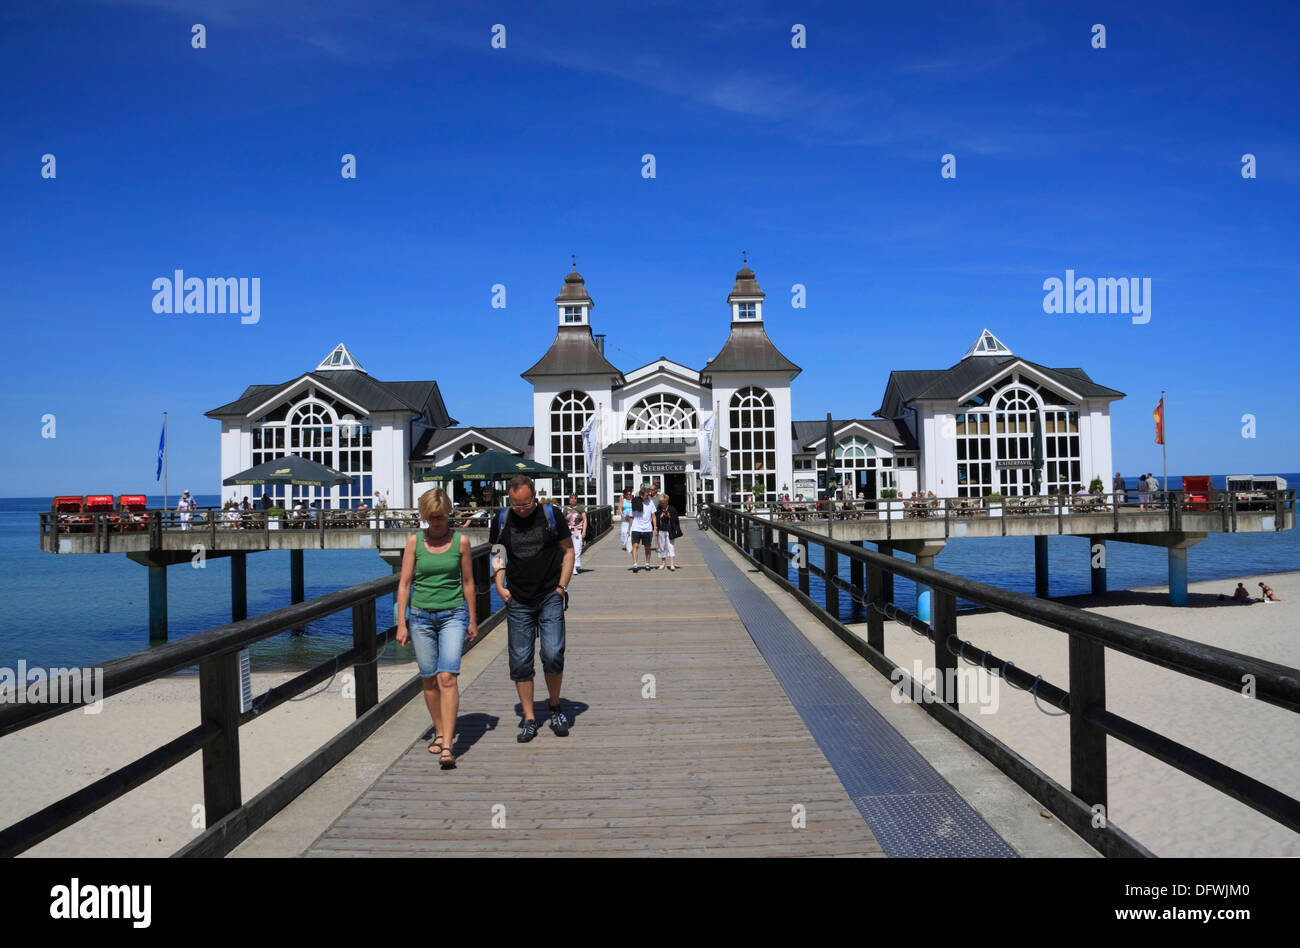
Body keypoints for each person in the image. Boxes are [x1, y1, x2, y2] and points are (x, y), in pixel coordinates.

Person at [490, 475, 574, 742]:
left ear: (534, 495)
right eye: (516, 504)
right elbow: (498, 553)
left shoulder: (551, 514)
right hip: (518, 598)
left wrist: (561, 587)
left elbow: (568, 550)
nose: (522, 509)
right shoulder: (502, 520)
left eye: (526, 503)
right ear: (509, 499)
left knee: (552, 653)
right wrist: (499, 585)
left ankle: (555, 706)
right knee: (520, 661)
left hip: (549, 593)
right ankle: (529, 718)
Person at [396, 488, 477, 768]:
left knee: (447, 677)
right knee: (429, 678)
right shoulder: (414, 542)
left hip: (453, 614)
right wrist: (401, 622)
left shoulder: (461, 542)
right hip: (420, 617)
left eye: (441, 517)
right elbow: (404, 583)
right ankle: (440, 730)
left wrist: (472, 619)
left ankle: (448, 744)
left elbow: (468, 582)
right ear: (424, 516)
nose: (437, 523)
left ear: (448, 514)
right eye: (432, 518)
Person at [628, 486, 657, 572]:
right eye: (646, 495)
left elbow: (654, 516)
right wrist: (629, 529)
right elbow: (631, 517)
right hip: (636, 527)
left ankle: (647, 563)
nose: (648, 496)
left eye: (648, 495)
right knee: (635, 546)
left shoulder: (650, 502)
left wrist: (655, 527)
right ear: (641, 495)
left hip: (647, 528)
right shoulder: (635, 502)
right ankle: (635, 564)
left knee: (647, 547)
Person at [656, 493, 681, 571]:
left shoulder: (672, 508)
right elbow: (655, 519)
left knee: (671, 546)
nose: (662, 504)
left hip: (670, 530)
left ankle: (672, 564)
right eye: (661, 503)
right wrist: (659, 517)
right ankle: (663, 563)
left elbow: (676, 519)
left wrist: (670, 517)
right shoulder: (658, 509)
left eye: (663, 502)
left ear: (667, 502)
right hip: (661, 530)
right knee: (662, 547)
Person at [564, 493, 588, 574]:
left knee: (578, 549)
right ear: (569, 500)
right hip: (568, 531)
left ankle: (574, 566)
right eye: (571, 498)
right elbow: (563, 521)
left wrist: (584, 531)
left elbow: (585, 520)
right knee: (570, 549)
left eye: (574, 498)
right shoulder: (566, 509)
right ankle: (572, 566)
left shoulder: (580, 508)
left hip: (578, 530)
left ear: (577, 499)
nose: (573, 500)